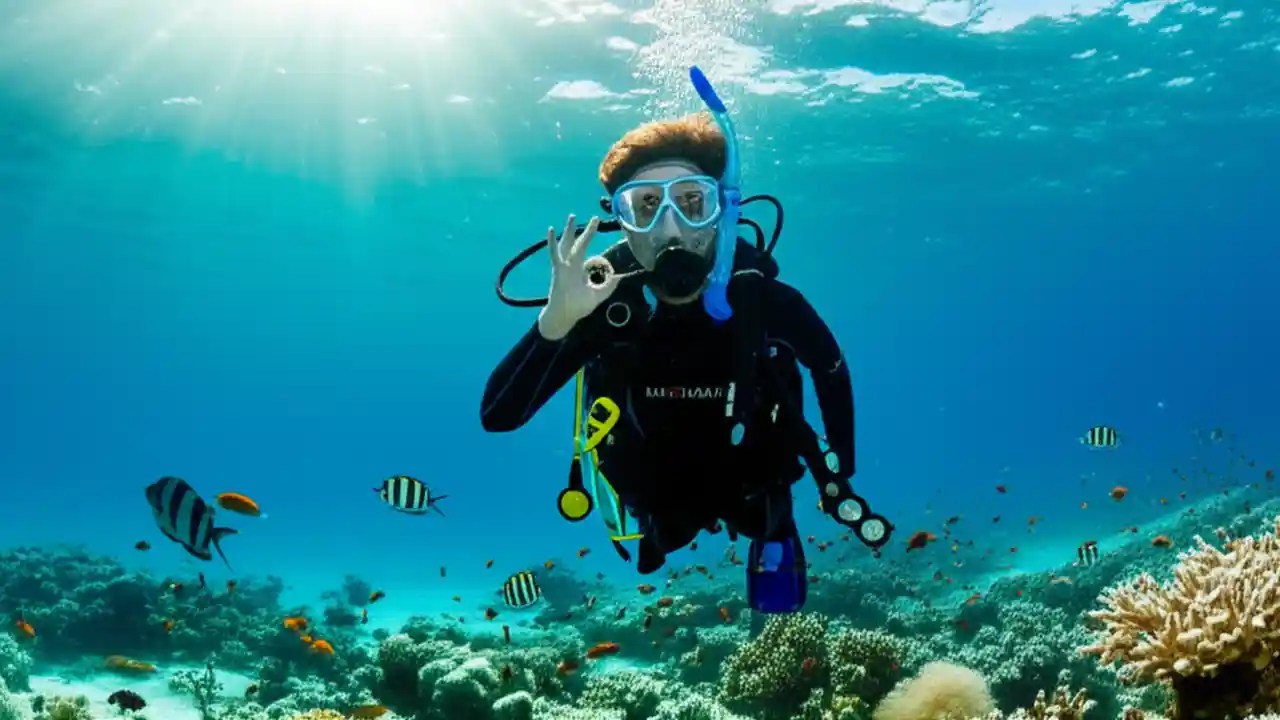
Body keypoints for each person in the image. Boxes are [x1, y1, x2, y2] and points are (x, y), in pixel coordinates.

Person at [482, 68, 889, 613]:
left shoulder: (764, 300)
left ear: (724, 210)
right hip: (655, 494)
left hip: (754, 480)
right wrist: (555, 324)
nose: (671, 230)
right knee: (659, 544)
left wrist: (842, 464)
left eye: (693, 202)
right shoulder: (604, 307)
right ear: (620, 223)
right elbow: (498, 414)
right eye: (645, 206)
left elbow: (830, 369)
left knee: (773, 550)